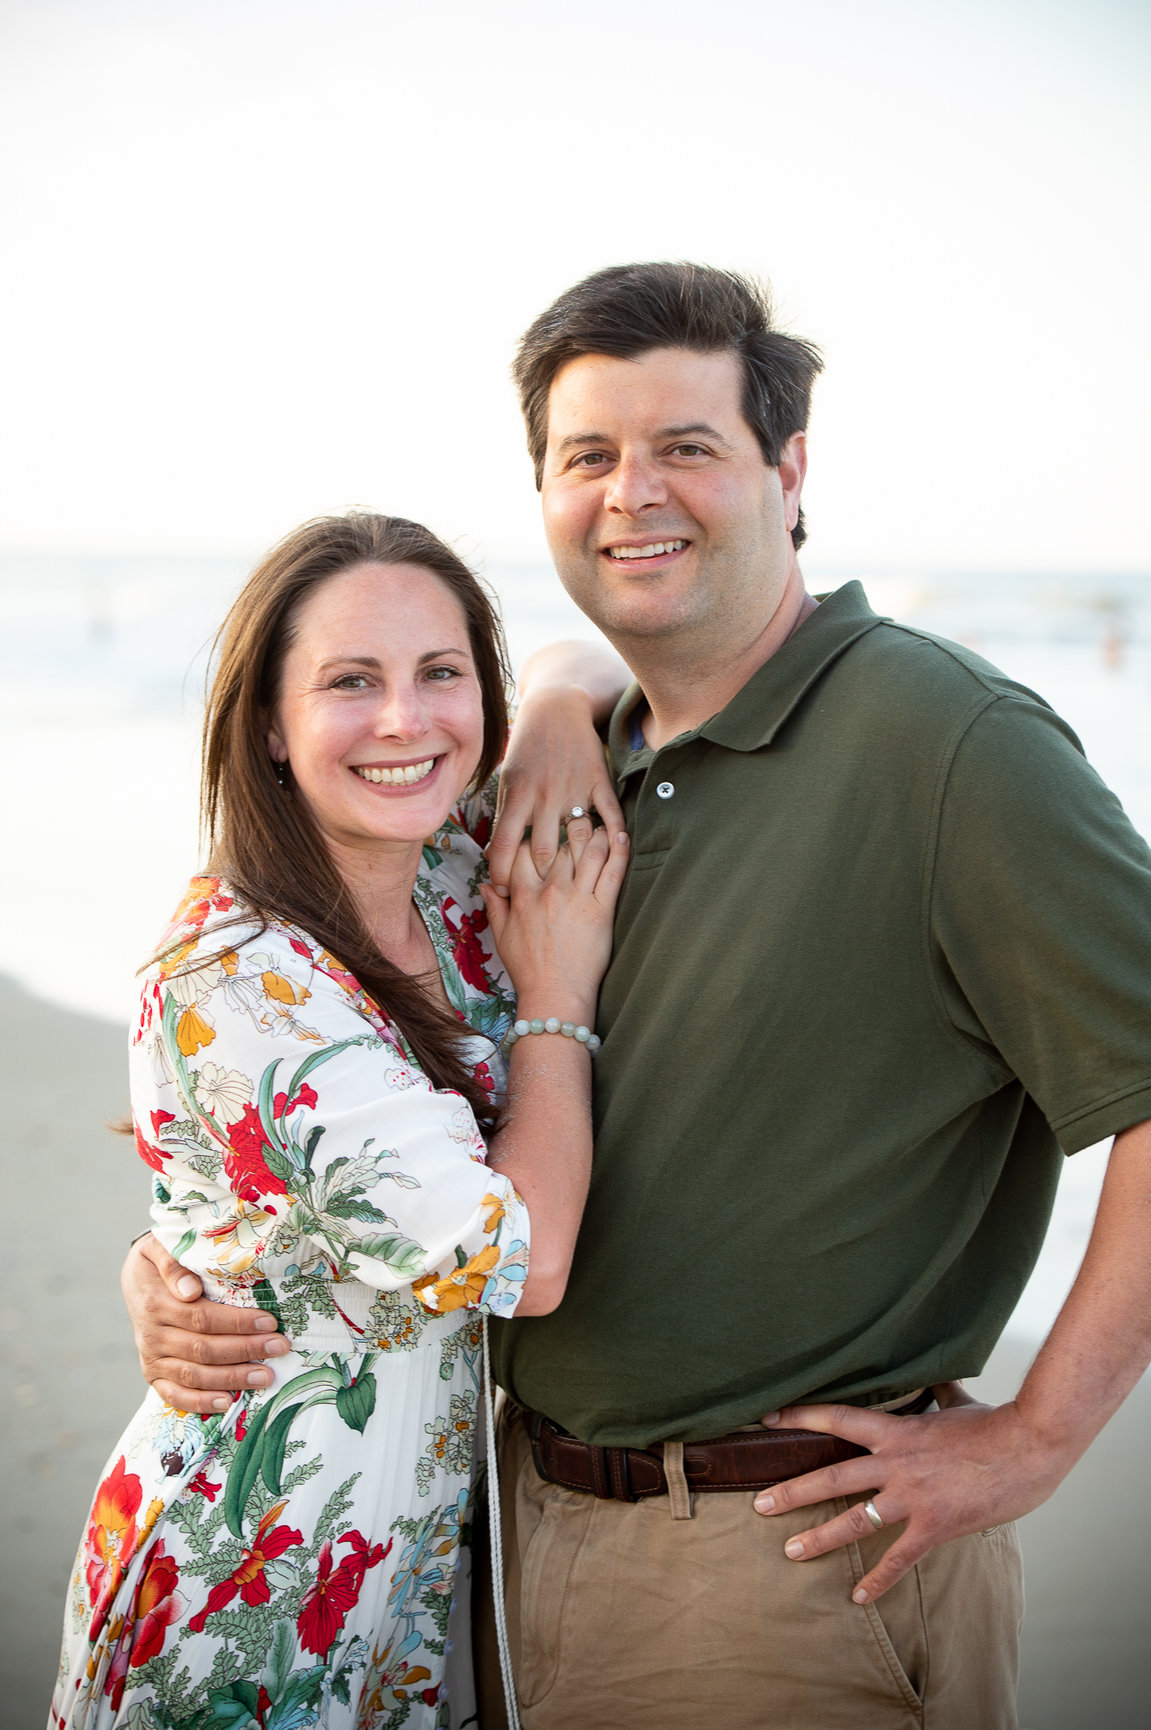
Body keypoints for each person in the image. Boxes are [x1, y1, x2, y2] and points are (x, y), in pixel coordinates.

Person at [121, 267, 1151, 1730]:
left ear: (788, 470)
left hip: (780, 1563)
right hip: (496, 1540)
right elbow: (329, 1106)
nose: (630, 494)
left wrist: (1040, 1434)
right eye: (587, 455)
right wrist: (184, 1270)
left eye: (685, 447)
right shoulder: (553, 768)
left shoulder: (945, 742)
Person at [51, 511, 628, 1729]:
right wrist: (558, 997)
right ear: (269, 720)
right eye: (349, 681)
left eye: (441, 671)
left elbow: (588, 658)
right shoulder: (236, 980)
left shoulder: (448, 865)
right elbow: (522, 1258)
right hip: (249, 1572)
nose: (404, 720)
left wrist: (550, 717)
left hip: (403, 1565)